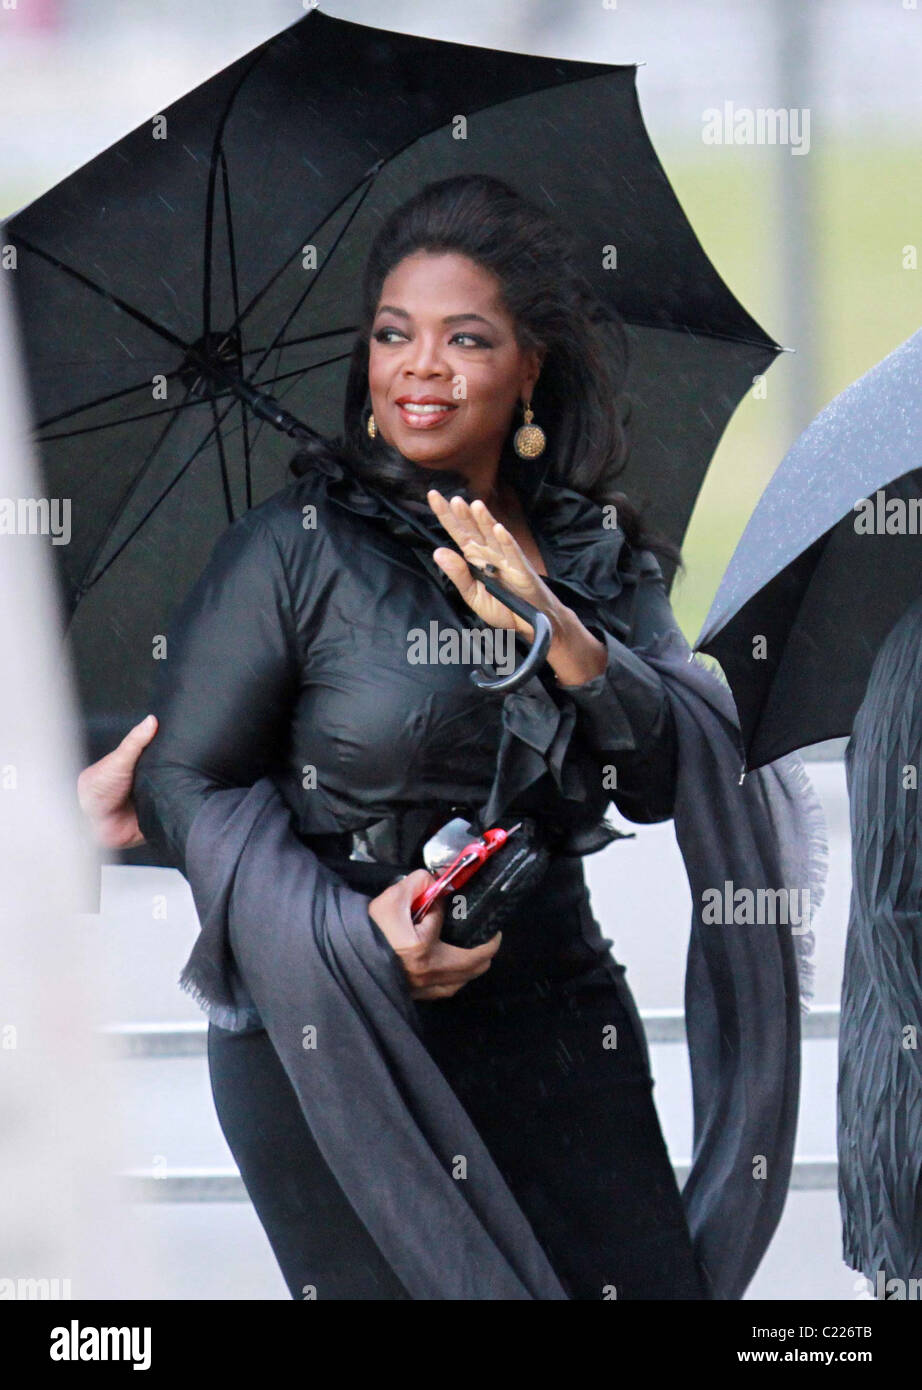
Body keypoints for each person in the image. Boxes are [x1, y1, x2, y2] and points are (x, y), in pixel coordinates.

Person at [81, 173, 711, 1300]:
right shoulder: (291, 548)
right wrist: (359, 929)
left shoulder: (598, 552)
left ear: (529, 369)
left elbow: (666, 778)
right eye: (391, 334)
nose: (419, 366)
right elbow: (180, 780)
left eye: (464, 337)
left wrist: (559, 632)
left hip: (556, 1015)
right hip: (336, 1024)